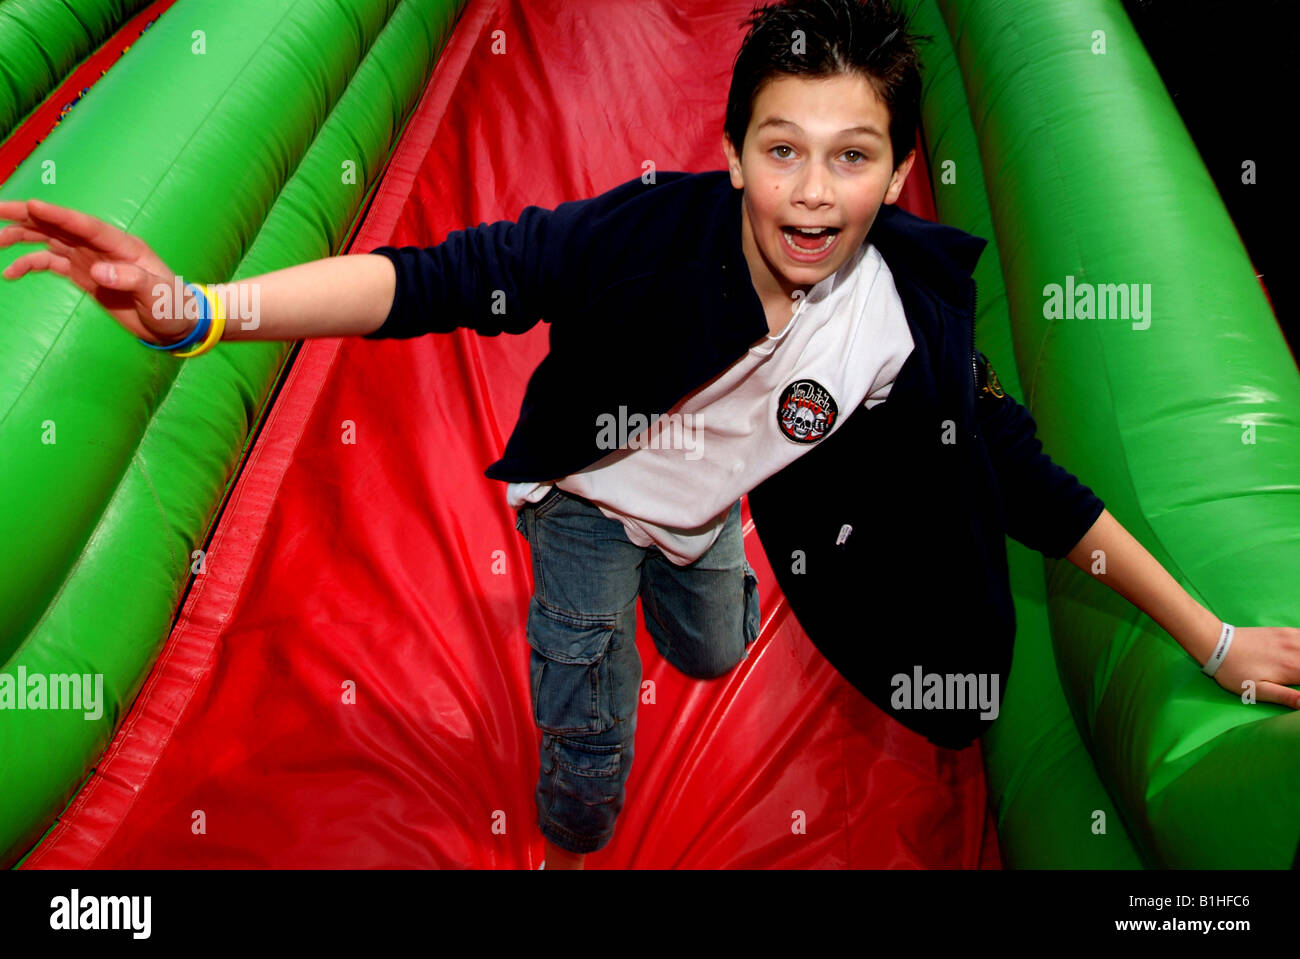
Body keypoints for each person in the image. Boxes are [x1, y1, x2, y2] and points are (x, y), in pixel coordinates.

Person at [3, 0, 1298, 872]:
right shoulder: (637, 238)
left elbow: (1036, 487)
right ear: (730, 153)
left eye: (852, 158)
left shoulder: (908, 318)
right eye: (780, 150)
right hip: (591, 499)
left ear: (901, 174)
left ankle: (689, 579)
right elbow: (429, 279)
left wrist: (1216, 635)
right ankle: (573, 789)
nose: (812, 192)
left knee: (715, 635)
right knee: (589, 713)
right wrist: (197, 315)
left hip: (719, 522)